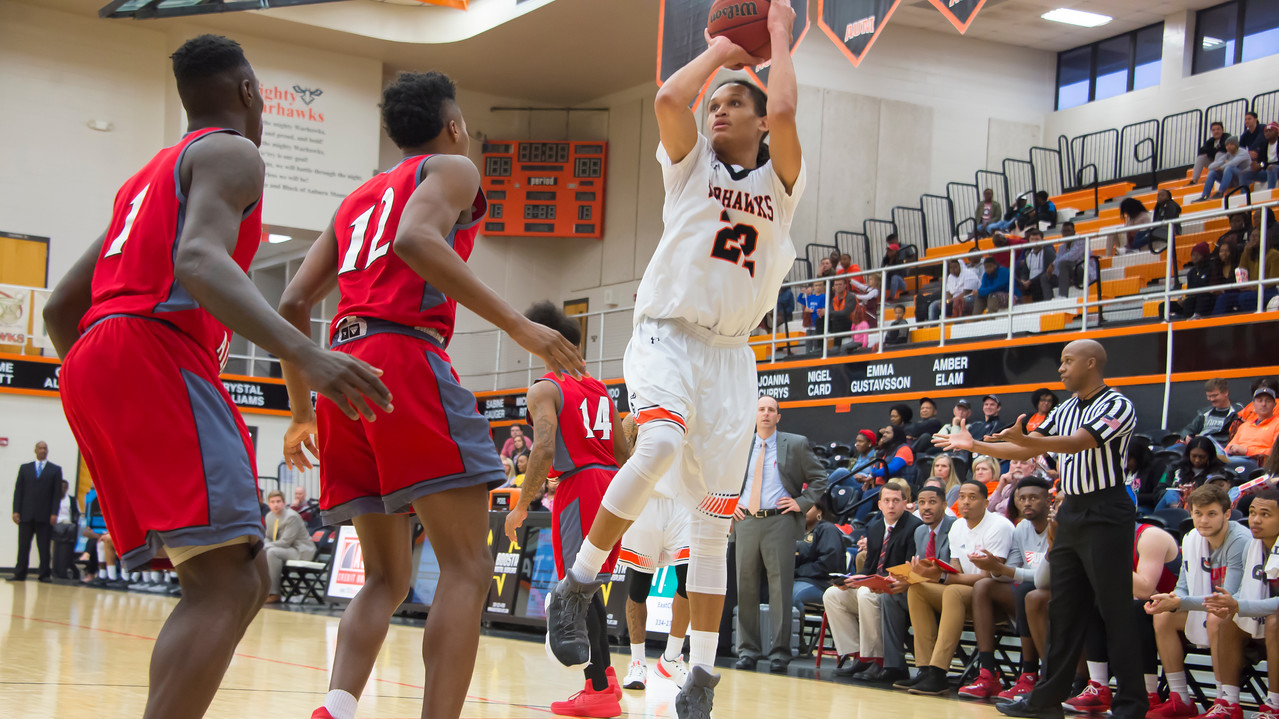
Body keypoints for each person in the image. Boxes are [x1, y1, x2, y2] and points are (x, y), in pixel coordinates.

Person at [41, 35, 393, 719]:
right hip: (155, 347)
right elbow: (199, 261)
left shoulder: (146, 177)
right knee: (227, 584)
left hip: (95, 356)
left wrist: (106, 381)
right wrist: (309, 353)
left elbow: (61, 307)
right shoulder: (234, 152)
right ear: (246, 92)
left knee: (239, 576)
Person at [275, 71, 582, 719]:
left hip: (338, 371)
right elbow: (414, 240)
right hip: (399, 359)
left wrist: (301, 410)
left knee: (385, 577)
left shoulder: (356, 197)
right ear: (453, 125)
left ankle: (336, 707)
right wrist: (518, 324)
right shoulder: (453, 167)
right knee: (468, 567)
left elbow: (293, 302)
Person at [545, 4, 806, 714]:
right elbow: (667, 98)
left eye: (732, 104)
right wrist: (721, 51)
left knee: (712, 525)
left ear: (757, 123)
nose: (718, 110)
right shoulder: (689, 167)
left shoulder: (778, 189)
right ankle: (575, 584)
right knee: (657, 439)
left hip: (729, 357)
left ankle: (700, 673)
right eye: (714, 103)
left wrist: (778, 31)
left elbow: (784, 109)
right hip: (664, 333)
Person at [935, 339, 1145, 719]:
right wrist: (974, 444)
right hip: (1071, 511)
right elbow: (1023, 449)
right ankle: (1047, 698)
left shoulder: (1117, 404)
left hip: (1107, 509)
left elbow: (1082, 442)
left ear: (1092, 363)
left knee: (1114, 609)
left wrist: (1030, 440)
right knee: (1061, 606)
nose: (1061, 368)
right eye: (1061, 362)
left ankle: (1132, 703)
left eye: (1068, 361)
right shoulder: (1063, 410)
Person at [504, 303, 629, 718]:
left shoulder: (545, 387)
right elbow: (624, 453)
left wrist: (522, 503)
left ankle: (596, 687)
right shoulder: (600, 388)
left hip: (581, 488)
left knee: (577, 589)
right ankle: (606, 678)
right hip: (611, 484)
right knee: (587, 584)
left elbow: (541, 447)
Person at [732, 395, 828, 673]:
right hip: (746, 520)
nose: (765, 414)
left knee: (781, 589)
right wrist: (730, 504)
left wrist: (802, 502)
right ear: (754, 414)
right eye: (760, 409)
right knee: (745, 587)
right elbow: (723, 476)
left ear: (778, 416)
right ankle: (747, 650)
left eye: (770, 410)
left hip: (780, 521)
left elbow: (821, 477)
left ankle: (780, 652)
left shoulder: (795, 444)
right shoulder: (741, 444)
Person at [1144, 484, 1251, 719]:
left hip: (1243, 613)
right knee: (1163, 616)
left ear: (1227, 514)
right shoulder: (1192, 538)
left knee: (1216, 616)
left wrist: (1180, 602)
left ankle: (1226, 702)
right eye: (1197, 513)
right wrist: (1170, 599)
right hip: (1207, 607)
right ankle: (1179, 698)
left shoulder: (1240, 540)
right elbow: (1183, 585)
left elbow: (1228, 597)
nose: (1203, 520)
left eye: (1211, 514)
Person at [899, 479, 1014, 696]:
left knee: (952, 591)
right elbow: (956, 570)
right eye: (961, 496)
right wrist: (925, 575)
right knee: (917, 589)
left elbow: (987, 576)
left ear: (986, 502)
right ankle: (924, 668)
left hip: (994, 597)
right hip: (966, 593)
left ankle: (938, 671)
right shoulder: (957, 526)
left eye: (972, 497)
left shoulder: (999, 526)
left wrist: (942, 578)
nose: (965, 502)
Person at [1062, 521, 1180, 715]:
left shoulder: (1149, 537)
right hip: (1134, 608)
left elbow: (1145, 590)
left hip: (1169, 609)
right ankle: (1099, 687)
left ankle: (1148, 693)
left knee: (1138, 608)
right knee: (1091, 602)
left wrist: (1104, 559)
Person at [616, 414, 694, 693]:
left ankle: (672, 657)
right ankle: (637, 662)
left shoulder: (693, 410)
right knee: (639, 586)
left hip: (683, 502)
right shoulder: (633, 419)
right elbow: (619, 459)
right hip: (646, 503)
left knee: (688, 582)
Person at [958, 476, 1053, 700]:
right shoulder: (1021, 530)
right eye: (1022, 498)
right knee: (983, 585)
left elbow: (1047, 578)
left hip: (1053, 594)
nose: (1027, 503)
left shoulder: (1056, 529)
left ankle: (1030, 674)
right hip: (1029, 596)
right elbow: (1008, 571)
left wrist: (1004, 570)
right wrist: (992, 567)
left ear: (1048, 500)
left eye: (1033, 498)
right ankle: (987, 674)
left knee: (1026, 591)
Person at [823, 479, 920, 679]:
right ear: (880, 504)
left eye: (896, 500)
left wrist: (872, 581)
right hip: (874, 586)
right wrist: (855, 580)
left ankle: (878, 659)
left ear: (905, 503)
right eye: (887, 500)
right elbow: (868, 567)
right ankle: (859, 655)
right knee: (832, 594)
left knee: (866, 594)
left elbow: (909, 570)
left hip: (897, 590)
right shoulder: (875, 527)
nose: (891, 505)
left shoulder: (914, 527)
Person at [1203, 489, 1279, 719]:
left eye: (1265, 514)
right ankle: (1229, 701)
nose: (1255, 520)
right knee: (1226, 620)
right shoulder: (1252, 547)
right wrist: (1228, 603)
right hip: (1263, 619)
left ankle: (1274, 705)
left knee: (1275, 622)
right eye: (1253, 512)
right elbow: (1238, 595)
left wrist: (1239, 605)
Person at [885, 486, 955, 686]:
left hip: (950, 590)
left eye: (932, 502)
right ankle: (895, 666)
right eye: (922, 502)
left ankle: (930, 670)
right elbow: (920, 569)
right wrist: (903, 580)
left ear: (944, 505)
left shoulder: (955, 527)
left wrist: (912, 581)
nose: (926, 507)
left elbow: (950, 570)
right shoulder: (920, 531)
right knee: (888, 595)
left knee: (914, 589)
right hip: (925, 590)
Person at [9, 440, 61, 582]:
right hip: (26, 514)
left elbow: (56, 494)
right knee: (23, 546)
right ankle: (19, 574)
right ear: (35, 450)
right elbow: (18, 491)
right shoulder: (25, 468)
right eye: (40, 448)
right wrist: (16, 511)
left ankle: (44, 574)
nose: (43, 450)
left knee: (44, 547)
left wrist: (54, 513)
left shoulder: (55, 470)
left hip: (45, 515)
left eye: (45, 448)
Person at [261, 489, 315, 605]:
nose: (276, 504)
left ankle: (275, 593)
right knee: (265, 550)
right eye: (272, 502)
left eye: (278, 501)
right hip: (285, 549)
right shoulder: (269, 516)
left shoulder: (292, 517)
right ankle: (263, 591)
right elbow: (268, 537)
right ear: (268, 504)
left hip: (300, 550)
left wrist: (266, 546)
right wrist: (264, 544)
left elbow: (285, 542)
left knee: (271, 552)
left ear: (284, 503)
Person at [793, 500, 847, 607]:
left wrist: (798, 571)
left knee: (790, 595)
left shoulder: (828, 529)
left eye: (809, 506)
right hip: (797, 579)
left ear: (820, 511)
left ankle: (794, 624)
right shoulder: (797, 532)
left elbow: (829, 564)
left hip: (822, 583)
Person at [1215, 226, 1279, 314]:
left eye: (1256, 236)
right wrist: (1246, 252)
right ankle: (1216, 325)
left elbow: (1272, 281)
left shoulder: (1274, 254)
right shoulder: (1248, 254)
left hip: (1269, 291)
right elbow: (1241, 270)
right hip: (1251, 290)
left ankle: (1253, 322)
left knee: (1245, 297)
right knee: (1223, 298)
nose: (1253, 239)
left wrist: (1253, 288)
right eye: (1252, 236)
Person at [1152, 436, 1226, 511]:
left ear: (1209, 456)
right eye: (1194, 456)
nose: (1197, 460)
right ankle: (1177, 512)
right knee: (1171, 493)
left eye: (1202, 457)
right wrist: (1179, 493)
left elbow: (1219, 497)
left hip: (1200, 508)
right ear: (1188, 454)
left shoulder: (1217, 473)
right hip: (1169, 506)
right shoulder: (1174, 467)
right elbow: (1159, 490)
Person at [1224, 384, 1279, 466]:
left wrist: (1246, 451)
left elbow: (1275, 453)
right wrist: (1231, 450)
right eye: (1260, 401)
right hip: (1235, 462)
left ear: (1274, 405)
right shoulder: (1244, 426)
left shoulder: (1277, 424)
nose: (1263, 404)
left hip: (1261, 466)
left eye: (1268, 401)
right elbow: (1228, 448)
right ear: (1253, 404)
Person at [1171, 242, 1220, 319]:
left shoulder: (1212, 268)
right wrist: (1183, 299)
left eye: (1198, 255)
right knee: (1164, 305)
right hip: (1192, 300)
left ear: (1204, 256)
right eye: (1193, 255)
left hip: (1207, 300)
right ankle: (1164, 321)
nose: (1195, 257)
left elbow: (1212, 288)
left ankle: (1194, 318)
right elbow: (1189, 292)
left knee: (1195, 299)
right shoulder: (1191, 273)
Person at [1015, 228, 1055, 302]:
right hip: (1031, 284)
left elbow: (1048, 271)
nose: (1034, 242)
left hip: (1044, 282)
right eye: (1032, 239)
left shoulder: (1048, 252)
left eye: (1037, 239)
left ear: (1042, 240)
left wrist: (1031, 281)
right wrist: (1023, 280)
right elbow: (1025, 272)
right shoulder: (1028, 255)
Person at [51, 479, 80, 581]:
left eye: (64, 487)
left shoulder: (71, 500)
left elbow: (76, 513)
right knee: (56, 551)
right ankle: (55, 572)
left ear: (67, 488)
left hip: (68, 528)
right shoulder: (54, 499)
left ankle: (64, 572)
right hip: (56, 527)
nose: (62, 489)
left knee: (66, 552)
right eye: (60, 487)